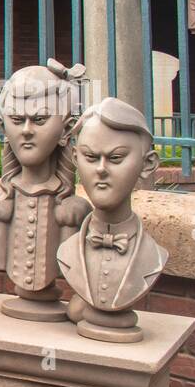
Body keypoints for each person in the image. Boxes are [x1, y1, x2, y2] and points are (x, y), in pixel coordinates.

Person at [0, 59, 90, 320]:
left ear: (66, 129)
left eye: (40, 119)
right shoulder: (0, 207)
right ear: (2, 127)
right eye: (17, 120)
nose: (27, 131)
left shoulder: (72, 213)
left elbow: (67, 266)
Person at [56, 97, 167, 343]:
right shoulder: (67, 251)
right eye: (90, 157)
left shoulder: (154, 257)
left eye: (115, 158)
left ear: (148, 164)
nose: (101, 169)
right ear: (75, 158)